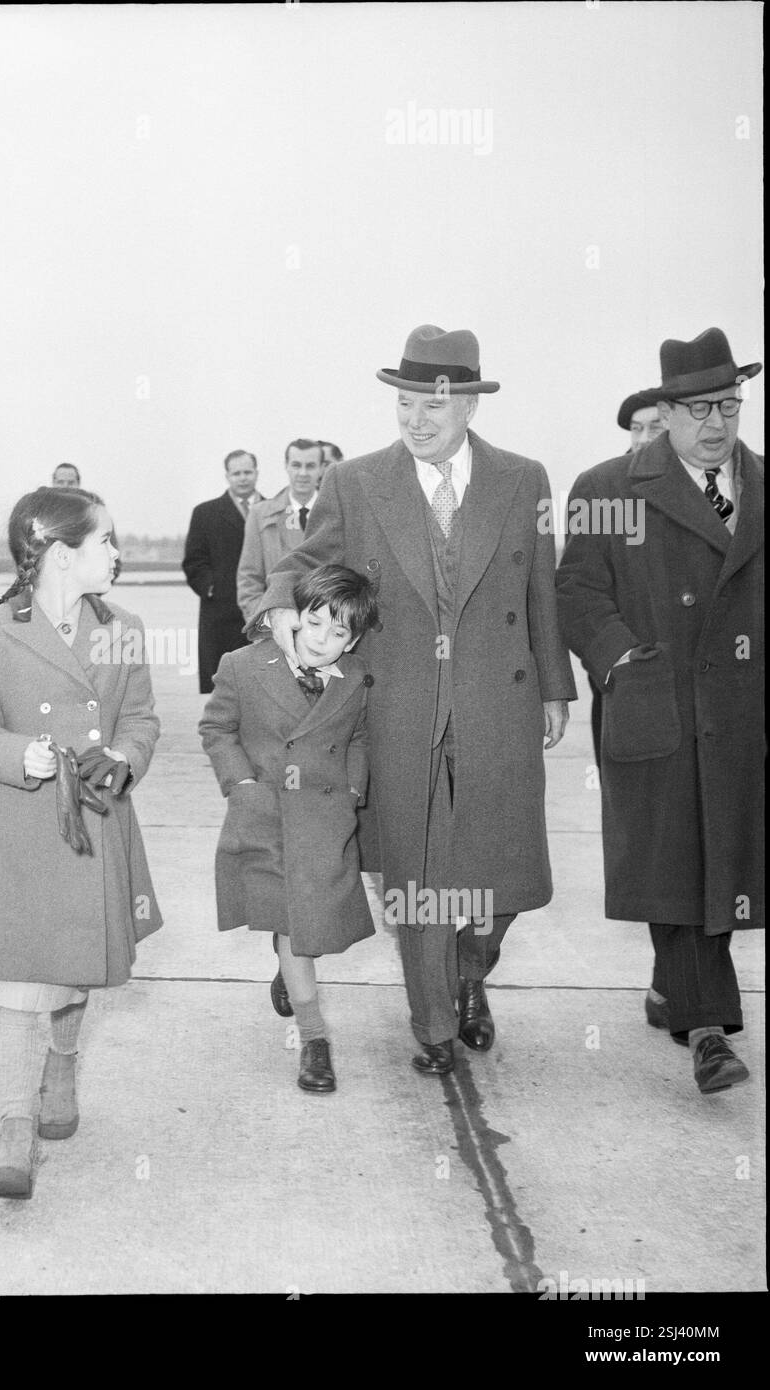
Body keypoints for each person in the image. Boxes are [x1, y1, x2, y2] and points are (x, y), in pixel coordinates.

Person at [258, 325, 574, 1075]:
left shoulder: (523, 479)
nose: (416, 419)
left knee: (507, 873)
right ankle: (433, 1024)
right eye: (404, 403)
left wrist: (557, 687)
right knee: (417, 874)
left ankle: (473, 965)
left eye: (432, 404)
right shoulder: (357, 483)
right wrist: (278, 612)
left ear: (467, 404)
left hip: (500, 701)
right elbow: (302, 564)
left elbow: (541, 591)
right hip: (398, 706)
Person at [0, 486, 163, 1198]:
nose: (118, 555)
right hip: (15, 825)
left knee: (71, 963)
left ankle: (62, 1062)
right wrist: (13, 753)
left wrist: (123, 759)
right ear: (63, 555)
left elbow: (143, 721)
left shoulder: (124, 628)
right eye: (106, 543)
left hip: (92, 819)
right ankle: (11, 1120)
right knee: (15, 974)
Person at [556, 327, 763, 1095]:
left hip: (741, 715)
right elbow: (575, 591)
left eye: (731, 405)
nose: (717, 423)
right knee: (677, 858)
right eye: (701, 408)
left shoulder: (765, 486)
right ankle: (709, 1029)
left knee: (724, 863)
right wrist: (618, 661)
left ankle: (672, 990)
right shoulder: (609, 489)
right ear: (667, 411)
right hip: (654, 705)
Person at [200, 565, 378, 1094]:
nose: (322, 640)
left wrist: (352, 793)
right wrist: (241, 785)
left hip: (325, 826)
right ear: (296, 616)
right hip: (267, 818)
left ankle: (288, 967)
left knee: (313, 926)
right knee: (295, 931)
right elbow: (217, 728)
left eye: (339, 633)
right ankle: (315, 1039)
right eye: (316, 623)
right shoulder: (244, 665)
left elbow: (361, 739)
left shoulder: (356, 680)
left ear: (355, 639)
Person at [589, 388, 670, 772]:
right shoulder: (607, 493)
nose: (643, 437)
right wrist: (619, 657)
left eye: (655, 426)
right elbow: (583, 588)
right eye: (637, 428)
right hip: (625, 674)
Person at [183, 449, 263, 692]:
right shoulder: (205, 513)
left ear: (257, 473)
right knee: (222, 687)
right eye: (236, 473)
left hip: (263, 608)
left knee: (263, 683)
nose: (243, 478)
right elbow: (194, 560)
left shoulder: (274, 510)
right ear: (227, 476)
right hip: (220, 612)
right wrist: (211, 587)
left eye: (247, 472)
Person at [237, 439, 325, 627]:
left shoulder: (336, 513)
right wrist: (268, 625)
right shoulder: (260, 515)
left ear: (321, 468)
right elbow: (249, 580)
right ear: (286, 466)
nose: (302, 473)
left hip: (325, 633)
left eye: (310, 466)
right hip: (276, 629)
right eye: (296, 465)